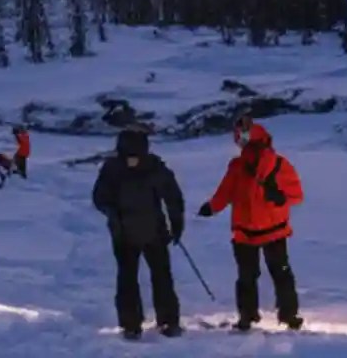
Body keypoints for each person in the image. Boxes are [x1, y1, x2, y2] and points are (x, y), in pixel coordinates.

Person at [197, 116, 304, 331]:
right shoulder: (274, 164)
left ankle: (248, 316)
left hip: (248, 232)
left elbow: (224, 193)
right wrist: (212, 206)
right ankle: (288, 316)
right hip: (269, 230)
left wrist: (211, 207)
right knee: (280, 273)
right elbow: (296, 195)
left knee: (248, 276)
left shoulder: (248, 165)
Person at [92, 129, 185, 340]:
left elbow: (99, 198)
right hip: (150, 231)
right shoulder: (154, 166)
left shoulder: (112, 168)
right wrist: (177, 224)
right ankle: (168, 322)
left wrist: (112, 214)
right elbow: (173, 198)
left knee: (128, 278)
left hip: (126, 233)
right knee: (159, 276)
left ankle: (132, 325)